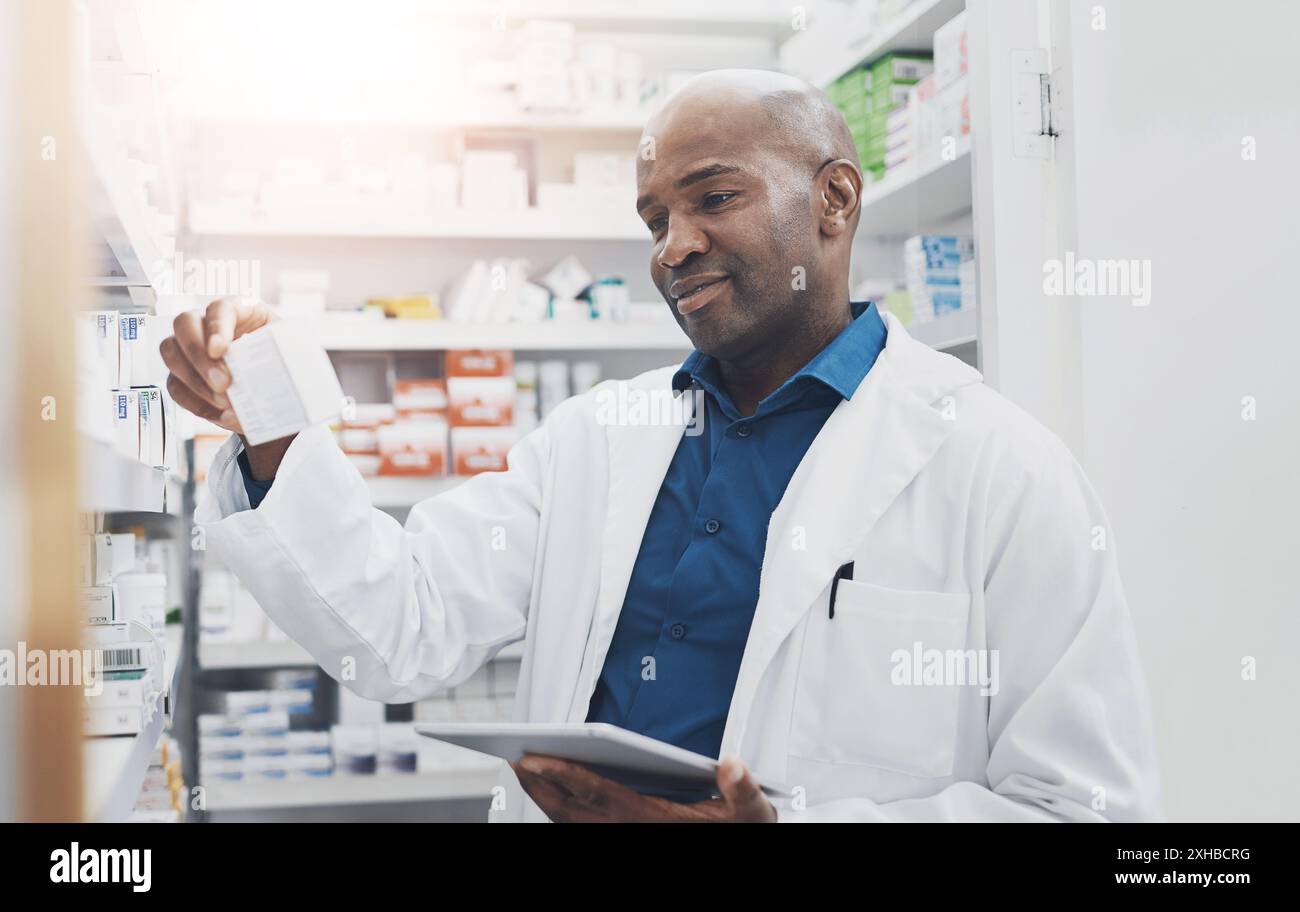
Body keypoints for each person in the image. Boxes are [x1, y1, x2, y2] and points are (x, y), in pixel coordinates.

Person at [161, 70, 1162, 822]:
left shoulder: (1004, 471)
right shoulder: (597, 438)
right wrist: (274, 427)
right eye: (654, 218)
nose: (671, 247)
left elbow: (1082, 809)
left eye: (713, 199)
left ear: (835, 201)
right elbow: (397, 624)